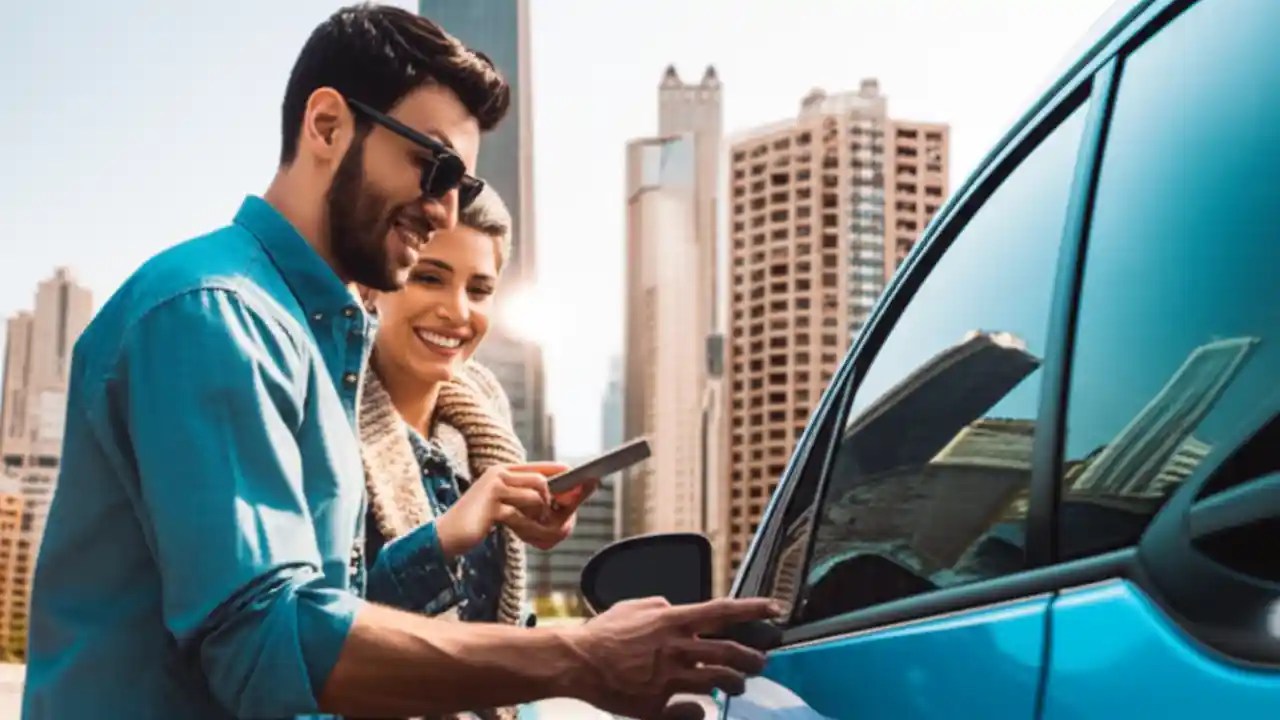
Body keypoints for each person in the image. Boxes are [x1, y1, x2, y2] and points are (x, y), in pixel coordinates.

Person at [23, 4, 778, 720]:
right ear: (327, 125)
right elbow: (266, 642)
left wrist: (461, 540)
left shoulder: (315, 342)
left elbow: (336, 611)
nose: (446, 209)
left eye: (464, 184)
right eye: (434, 165)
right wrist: (576, 654)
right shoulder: (216, 316)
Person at [358, 186, 584, 720]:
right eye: (429, 277)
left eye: (479, 290)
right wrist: (442, 540)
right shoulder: (317, 425)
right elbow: (304, 636)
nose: (457, 311)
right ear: (374, 285)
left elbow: (493, 628)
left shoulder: (483, 434)